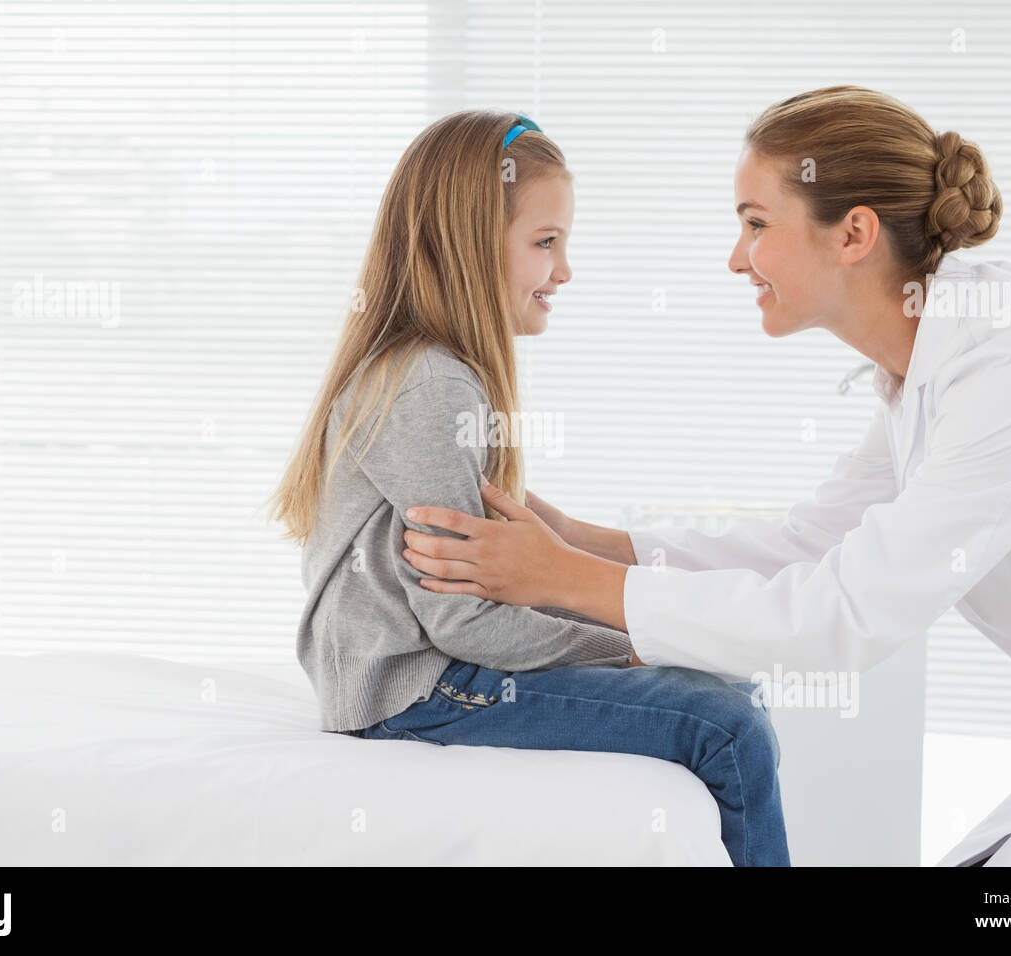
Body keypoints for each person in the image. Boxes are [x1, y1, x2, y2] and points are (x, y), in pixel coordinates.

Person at [400, 87, 1011, 867]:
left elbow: (843, 617)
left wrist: (565, 580)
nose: (737, 257)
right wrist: (584, 542)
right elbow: (808, 546)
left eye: (757, 224)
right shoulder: (929, 371)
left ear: (854, 233)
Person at [265, 109, 790, 866]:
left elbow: (490, 587)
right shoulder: (429, 387)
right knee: (727, 726)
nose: (565, 271)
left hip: (429, 668)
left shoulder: (436, 374)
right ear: (471, 246)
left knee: (735, 694)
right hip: (412, 690)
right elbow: (462, 624)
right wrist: (630, 646)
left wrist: (631, 635)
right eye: (546, 244)